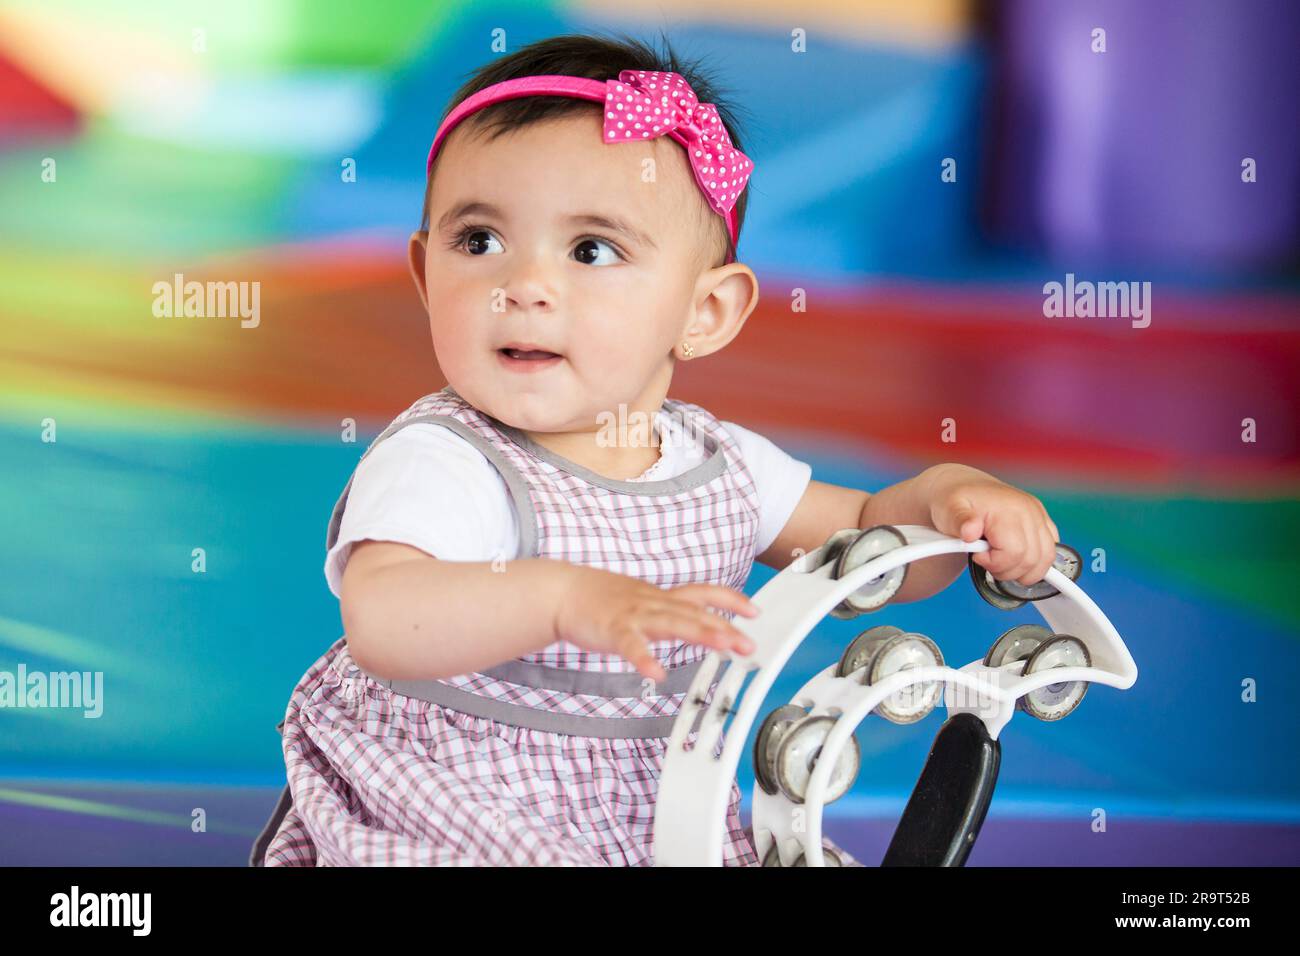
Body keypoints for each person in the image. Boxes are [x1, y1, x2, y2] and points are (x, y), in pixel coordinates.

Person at [252, 32, 1061, 867]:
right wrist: (564, 600)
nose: (525, 284)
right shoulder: (449, 457)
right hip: (458, 798)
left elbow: (869, 546)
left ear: (704, 314)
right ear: (425, 277)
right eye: (479, 242)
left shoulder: (720, 463)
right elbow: (385, 617)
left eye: (591, 250)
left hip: (662, 807)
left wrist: (945, 502)